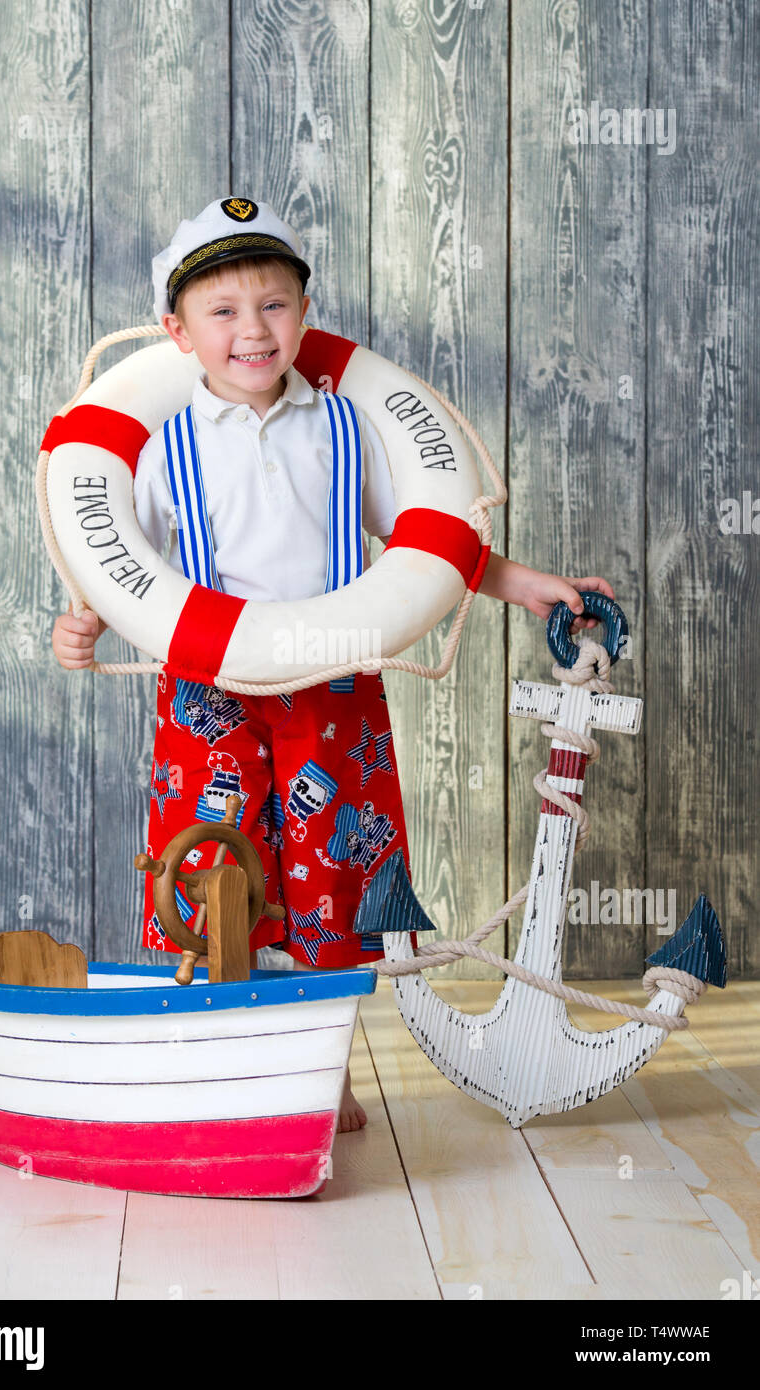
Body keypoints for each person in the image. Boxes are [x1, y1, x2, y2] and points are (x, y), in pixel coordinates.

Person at [53, 196, 615, 1132]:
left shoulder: (349, 428)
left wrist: (527, 586)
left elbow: (427, 543)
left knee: (333, 889)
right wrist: (82, 627)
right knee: (210, 879)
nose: (251, 330)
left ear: (305, 318)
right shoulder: (159, 447)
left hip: (334, 689)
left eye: (273, 305)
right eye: (222, 311)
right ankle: (220, 1072)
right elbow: (118, 566)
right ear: (176, 332)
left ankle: (325, 1074)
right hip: (208, 696)